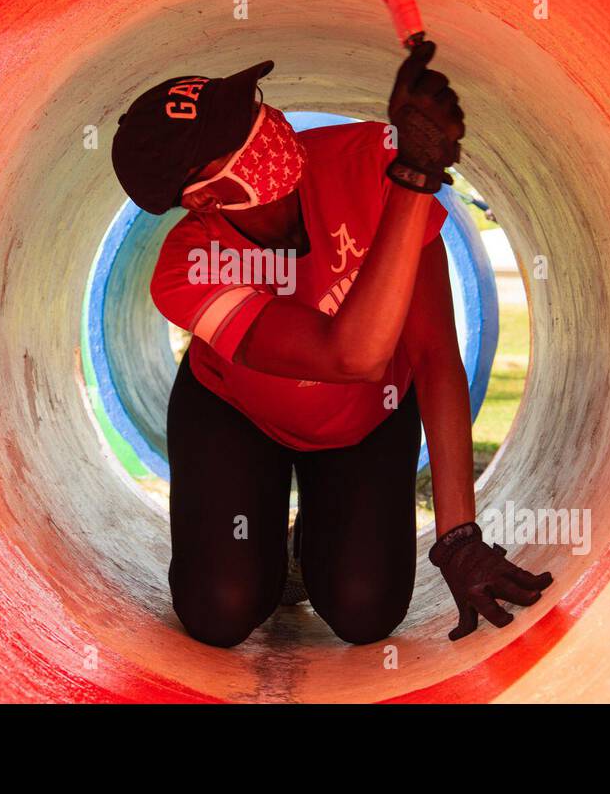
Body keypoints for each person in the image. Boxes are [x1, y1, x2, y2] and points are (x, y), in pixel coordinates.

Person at [111, 42, 552, 647]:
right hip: (238, 416)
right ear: (202, 196)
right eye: (236, 136)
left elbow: (431, 352)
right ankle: (266, 552)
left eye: (249, 108)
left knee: (365, 612)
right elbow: (351, 355)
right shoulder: (188, 268)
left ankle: (307, 545)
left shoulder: (371, 162)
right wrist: (414, 182)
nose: (264, 127)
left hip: (370, 414)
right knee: (222, 610)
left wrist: (458, 536)